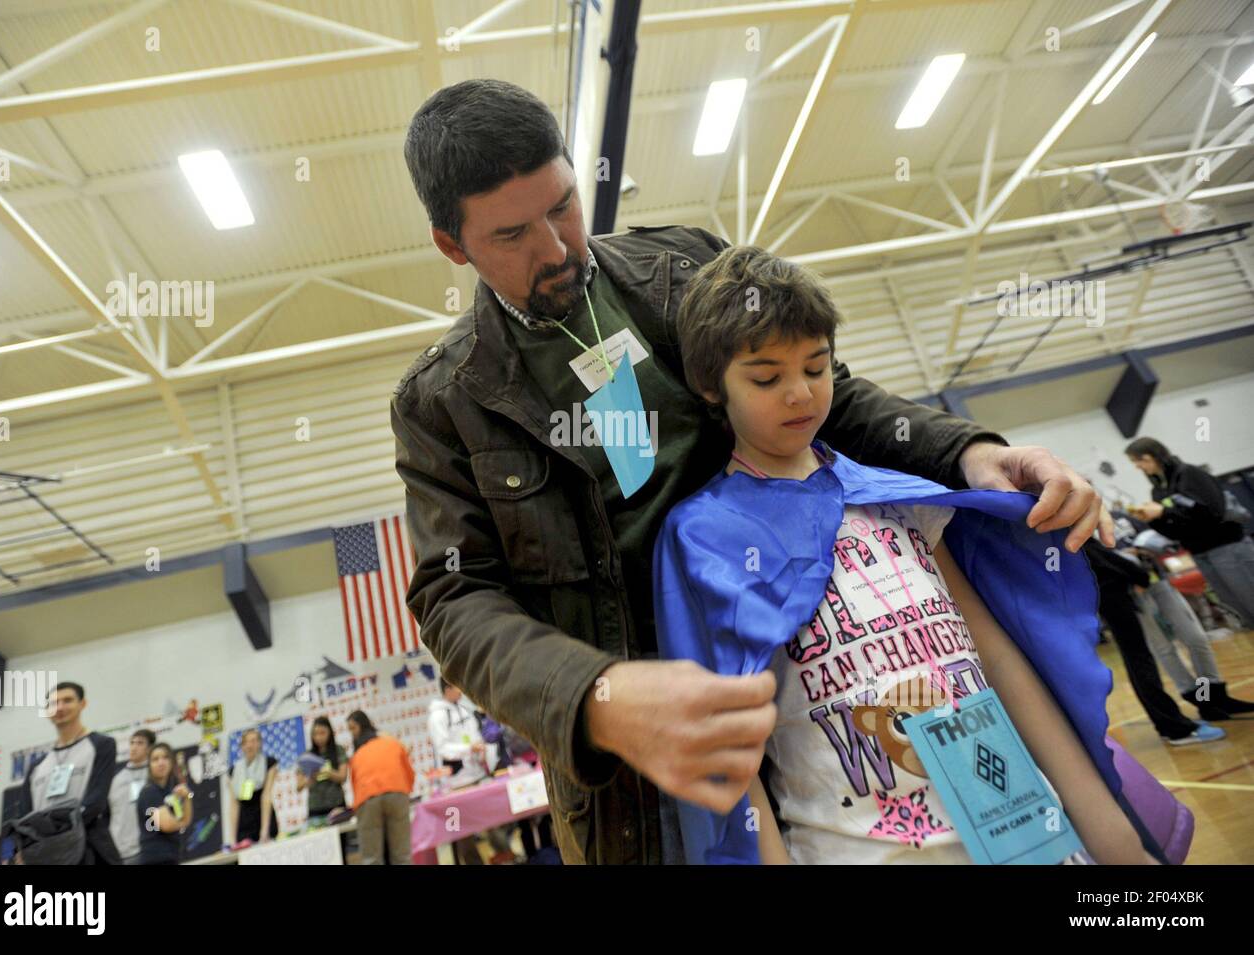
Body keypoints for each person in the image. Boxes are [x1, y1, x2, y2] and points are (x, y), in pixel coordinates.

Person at [393, 78, 1115, 864]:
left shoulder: (682, 266)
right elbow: (454, 596)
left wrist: (967, 452)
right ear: (451, 244)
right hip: (644, 762)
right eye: (512, 235)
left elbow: (817, 394)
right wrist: (593, 694)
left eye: (563, 205)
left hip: (811, 668)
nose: (559, 247)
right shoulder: (442, 403)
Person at [654, 245, 1168, 864]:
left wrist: (1109, 831)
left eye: (816, 368)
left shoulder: (897, 499)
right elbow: (722, 747)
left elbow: (999, 661)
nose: (799, 394)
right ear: (712, 385)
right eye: (766, 378)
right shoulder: (702, 536)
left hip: (1025, 833)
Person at [1083, 539, 1224, 746]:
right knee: (1150, 655)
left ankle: (1209, 702)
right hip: (1116, 589)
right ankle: (1179, 722)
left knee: (1192, 641)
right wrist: (1135, 572)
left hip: (1130, 585)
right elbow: (1096, 557)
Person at [1126, 437, 1254, 630]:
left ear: (1153, 455)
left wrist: (1163, 511)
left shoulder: (1188, 474)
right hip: (1199, 553)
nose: (1138, 466)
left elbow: (1211, 511)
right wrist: (1153, 519)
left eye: (1139, 460)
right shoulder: (1158, 491)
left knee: (1249, 596)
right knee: (1237, 606)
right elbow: (1174, 531)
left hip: (1227, 546)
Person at [22, 681, 122, 864]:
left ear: (82, 704)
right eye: (54, 703)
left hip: (88, 849)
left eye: (67, 700)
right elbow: (26, 817)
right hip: (46, 855)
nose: (60, 707)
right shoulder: (36, 766)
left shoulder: (102, 745)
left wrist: (55, 833)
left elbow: (95, 802)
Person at [345, 710, 415, 865]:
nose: (352, 733)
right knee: (402, 855)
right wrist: (405, 792)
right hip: (397, 793)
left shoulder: (358, 755)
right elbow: (409, 773)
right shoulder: (391, 742)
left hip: (368, 798)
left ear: (361, 726)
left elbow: (356, 785)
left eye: (352, 728)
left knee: (372, 858)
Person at [136, 743, 194, 865]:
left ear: (172, 762)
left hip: (171, 856)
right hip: (155, 859)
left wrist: (187, 797)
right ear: (149, 765)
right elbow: (167, 825)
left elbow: (186, 820)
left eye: (165, 757)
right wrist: (181, 823)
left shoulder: (170, 792)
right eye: (155, 759)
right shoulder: (149, 792)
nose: (161, 763)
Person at [109, 728, 154, 865]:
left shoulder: (154, 777)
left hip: (147, 850)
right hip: (120, 852)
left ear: (149, 748)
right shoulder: (116, 780)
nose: (134, 747)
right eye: (132, 743)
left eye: (140, 743)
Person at [427, 678, 486, 783]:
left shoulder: (465, 709)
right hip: (458, 780)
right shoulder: (437, 716)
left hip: (479, 772)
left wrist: (481, 750)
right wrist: (469, 748)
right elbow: (442, 748)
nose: (461, 690)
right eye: (457, 687)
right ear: (447, 689)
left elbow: (476, 734)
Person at [228, 728, 277, 845]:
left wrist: (264, 830)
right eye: (247, 742)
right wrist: (232, 839)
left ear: (260, 744)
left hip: (263, 816)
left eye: (254, 741)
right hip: (244, 823)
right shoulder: (234, 771)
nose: (250, 745)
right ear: (242, 746)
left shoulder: (269, 763)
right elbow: (234, 804)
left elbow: (266, 796)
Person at [297, 716, 348, 819]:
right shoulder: (307, 756)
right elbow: (299, 786)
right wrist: (310, 779)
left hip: (336, 804)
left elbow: (343, 777)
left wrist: (326, 771)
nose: (319, 737)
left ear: (330, 732)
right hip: (316, 807)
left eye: (322, 733)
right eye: (315, 734)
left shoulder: (338, 750)